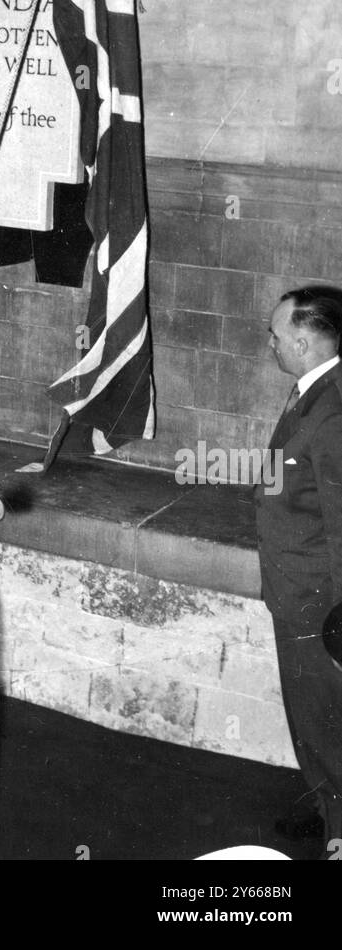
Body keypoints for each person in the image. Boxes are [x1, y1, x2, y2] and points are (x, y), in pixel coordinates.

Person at [256, 286, 342, 852]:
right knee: (307, 716)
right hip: (294, 590)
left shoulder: (333, 412)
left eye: (277, 334)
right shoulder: (311, 392)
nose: (271, 342)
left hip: (318, 601)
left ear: (305, 342)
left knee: (326, 724)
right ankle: (323, 801)